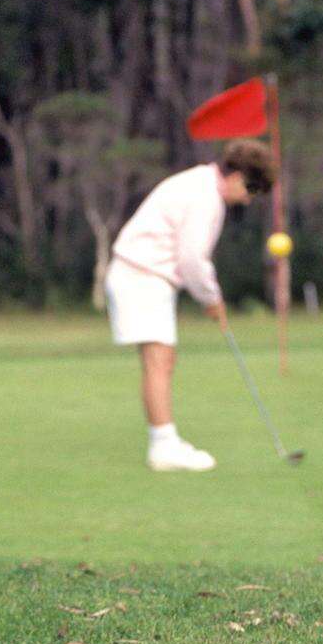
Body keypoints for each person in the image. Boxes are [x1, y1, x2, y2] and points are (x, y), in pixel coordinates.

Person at [105, 138, 276, 471]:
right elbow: (192, 260)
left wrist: (209, 297)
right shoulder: (205, 198)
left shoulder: (199, 183)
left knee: (161, 358)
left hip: (142, 274)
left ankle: (164, 441)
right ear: (238, 176)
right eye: (252, 190)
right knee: (159, 359)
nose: (248, 198)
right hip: (141, 275)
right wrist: (212, 299)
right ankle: (163, 447)